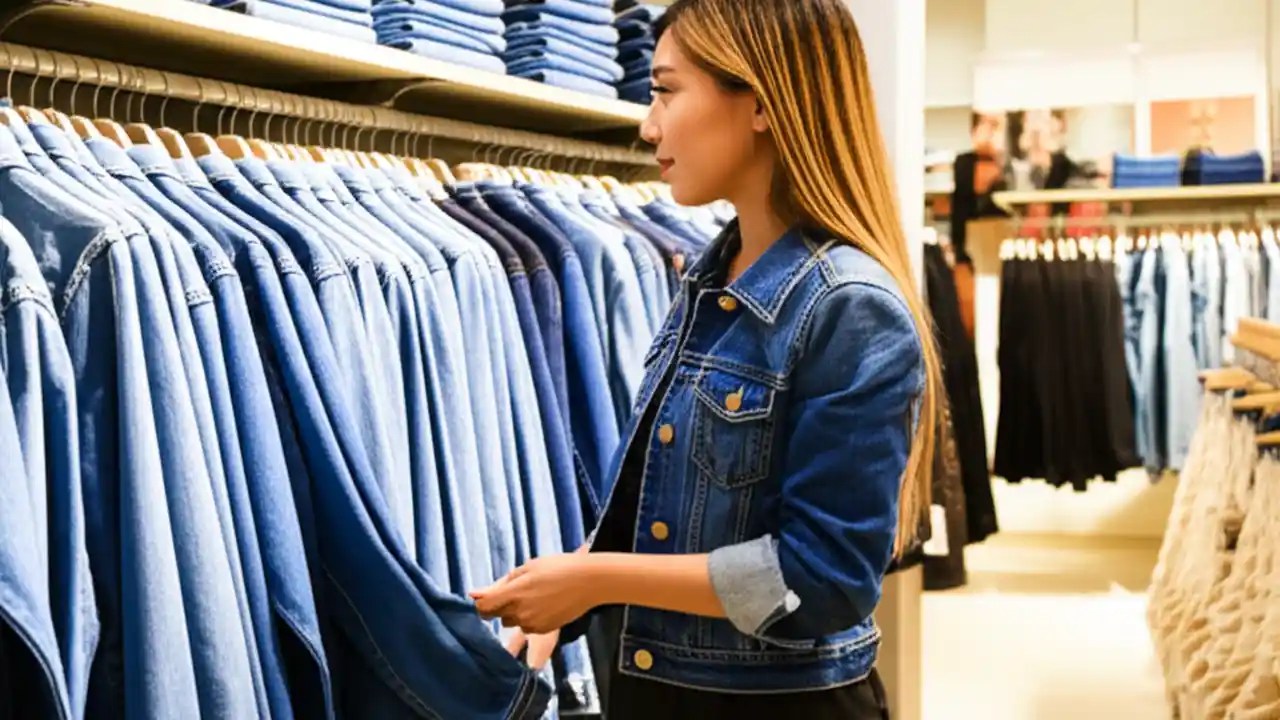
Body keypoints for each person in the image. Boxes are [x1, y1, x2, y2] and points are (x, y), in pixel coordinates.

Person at [470, 1, 942, 717]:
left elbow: (823, 579)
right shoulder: (712, 278)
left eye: (665, 90)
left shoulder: (849, 306)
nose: (647, 123)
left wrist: (598, 580)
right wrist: (570, 603)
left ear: (757, 101)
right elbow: (664, 499)